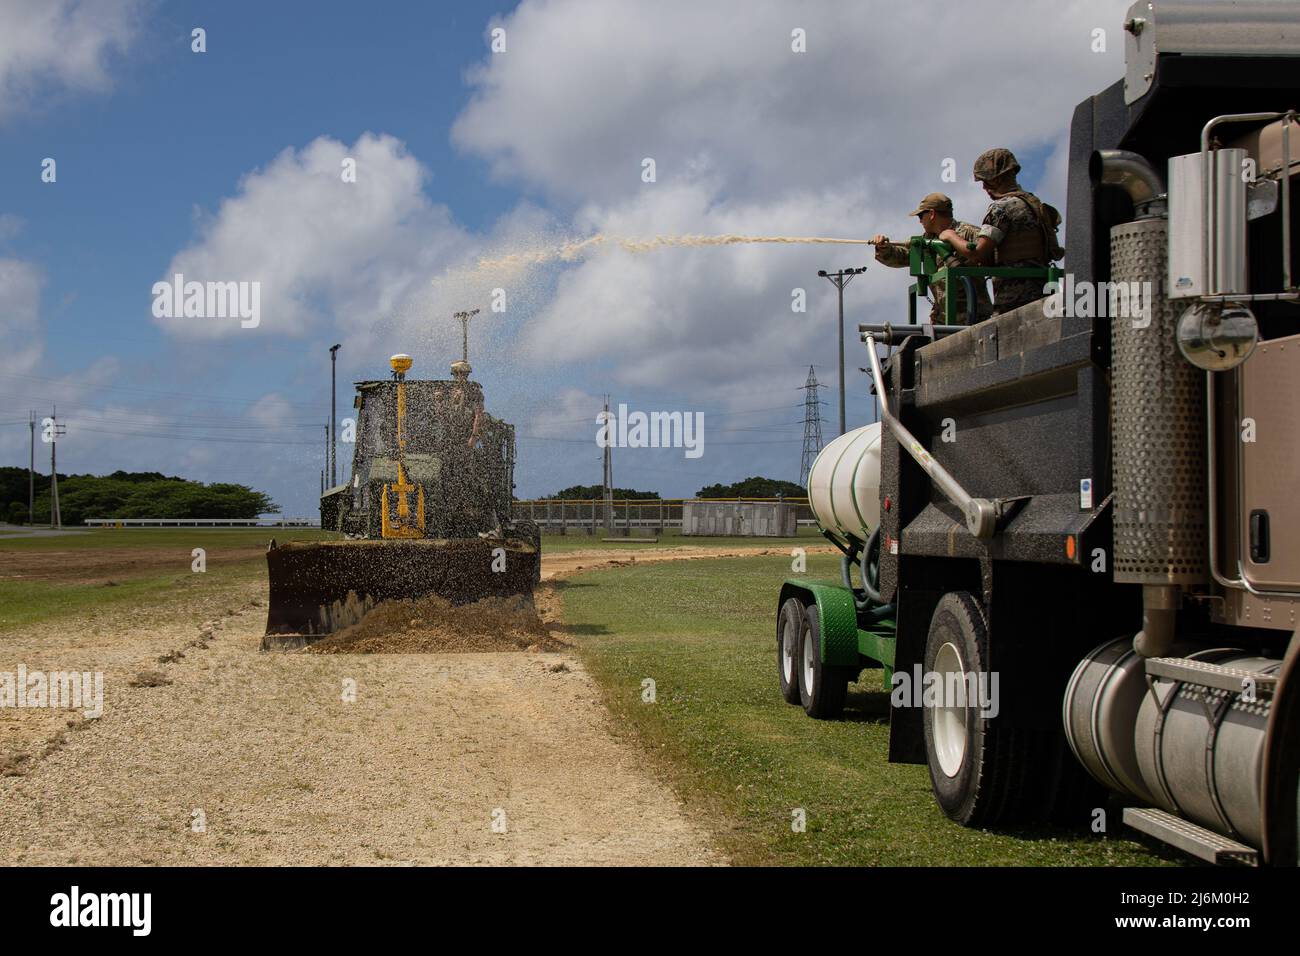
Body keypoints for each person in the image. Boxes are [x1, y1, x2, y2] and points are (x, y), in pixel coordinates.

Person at [937, 148, 1064, 315]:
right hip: (1043, 291)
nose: (983, 187)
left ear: (996, 179)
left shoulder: (1001, 208)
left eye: (985, 181)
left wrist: (950, 236)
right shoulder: (1034, 205)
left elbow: (977, 253)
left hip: (1014, 298)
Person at [872, 192, 992, 324]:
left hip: (974, 315)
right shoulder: (927, 240)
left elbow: (990, 256)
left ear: (932, 214)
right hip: (943, 319)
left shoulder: (969, 233)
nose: (920, 220)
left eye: (921, 215)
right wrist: (884, 249)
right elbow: (903, 257)